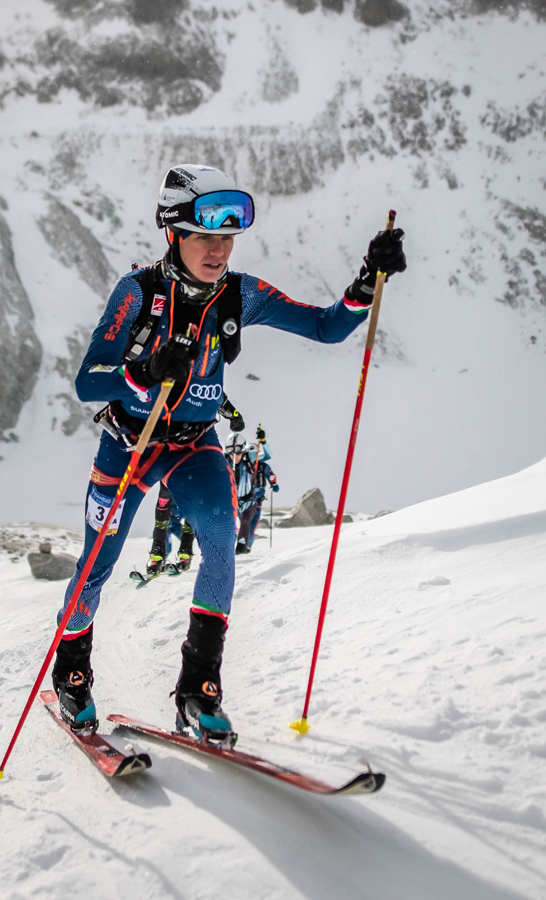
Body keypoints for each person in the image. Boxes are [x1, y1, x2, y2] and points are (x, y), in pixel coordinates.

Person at [53, 163, 405, 743]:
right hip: (130, 445)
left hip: (193, 445)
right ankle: (71, 672)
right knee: (97, 566)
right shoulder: (137, 292)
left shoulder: (240, 292)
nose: (219, 250)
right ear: (175, 233)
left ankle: (198, 690)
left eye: (227, 238)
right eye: (204, 236)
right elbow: (89, 381)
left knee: (220, 534)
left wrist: (368, 282)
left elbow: (324, 328)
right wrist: (140, 374)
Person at [144, 395, 244, 577]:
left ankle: (184, 553)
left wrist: (235, 416)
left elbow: (216, 395)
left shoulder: (199, 380)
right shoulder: (169, 377)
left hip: (194, 454)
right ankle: (157, 554)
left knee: (192, 509)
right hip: (169, 455)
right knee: (163, 508)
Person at [238, 427, 278, 553]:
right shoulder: (241, 466)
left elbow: (269, 457)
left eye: (256, 453)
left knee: (251, 525)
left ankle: (246, 548)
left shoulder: (263, 466)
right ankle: (241, 546)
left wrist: (263, 441)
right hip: (242, 501)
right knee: (244, 524)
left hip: (257, 501)